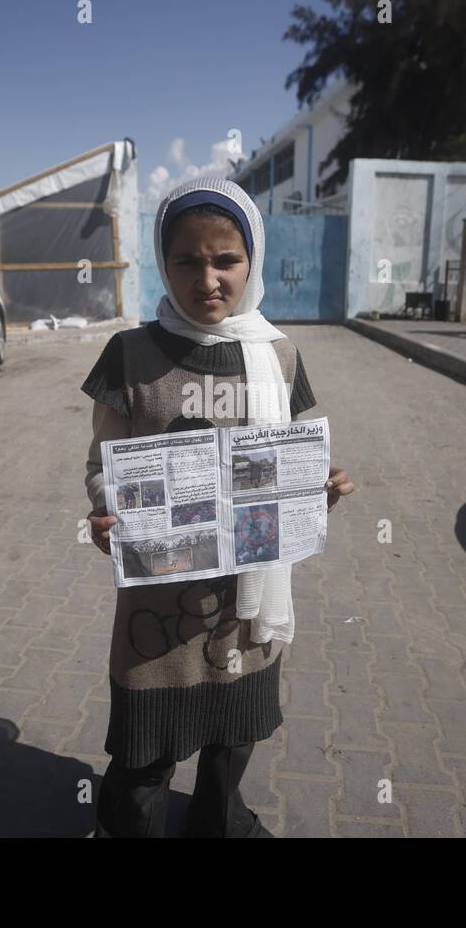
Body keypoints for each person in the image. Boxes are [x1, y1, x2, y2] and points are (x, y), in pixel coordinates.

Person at [81, 178, 354, 837]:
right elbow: (101, 463)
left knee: (231, 738)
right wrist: (105, 514)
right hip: (159, 606)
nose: (208, 279)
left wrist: (319, 491)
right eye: (187, 261)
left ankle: (217, 819)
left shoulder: (278, 356)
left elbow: (295, 460)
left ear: (250, 261)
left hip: (246, 602)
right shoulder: (131, 356)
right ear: (163, 262)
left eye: (226, 260)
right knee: (145, 753)